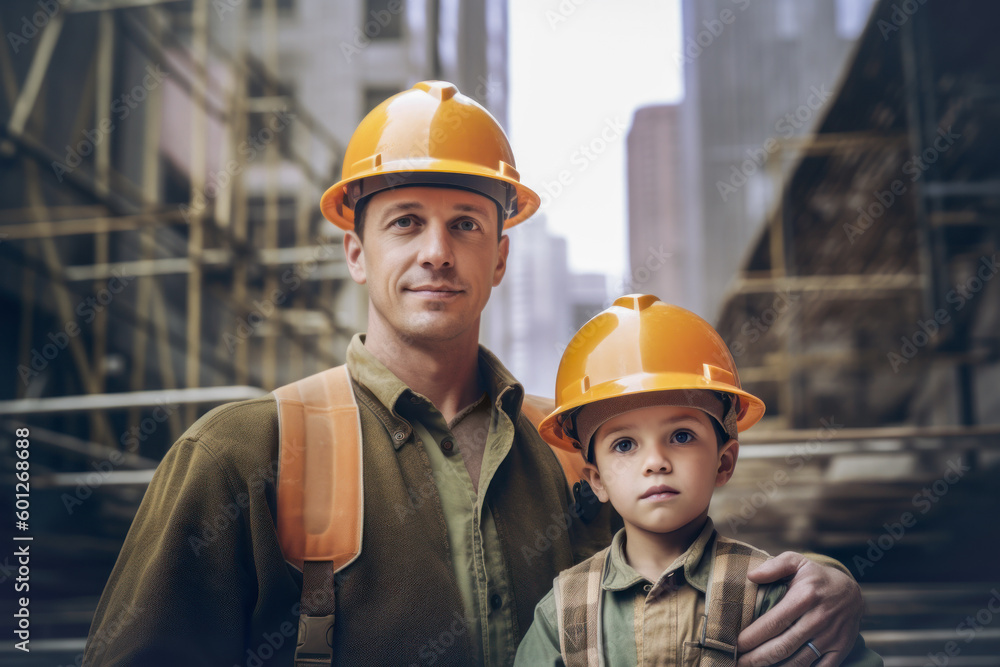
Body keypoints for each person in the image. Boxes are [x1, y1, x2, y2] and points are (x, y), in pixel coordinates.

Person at [84, 82, 865, 667]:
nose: (436, 251)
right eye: (405, 222)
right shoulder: (244, 456)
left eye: (465, 224)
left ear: (500, 256)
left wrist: (821, 585)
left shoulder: (579, 453)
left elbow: (690, 568)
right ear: (356, 252)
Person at [515, 295, 882, 667]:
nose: (655, 462)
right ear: (597, 481)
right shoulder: (563, 614)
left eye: (681, 436)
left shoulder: (774, 598)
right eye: (624, 444)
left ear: (724, 462)